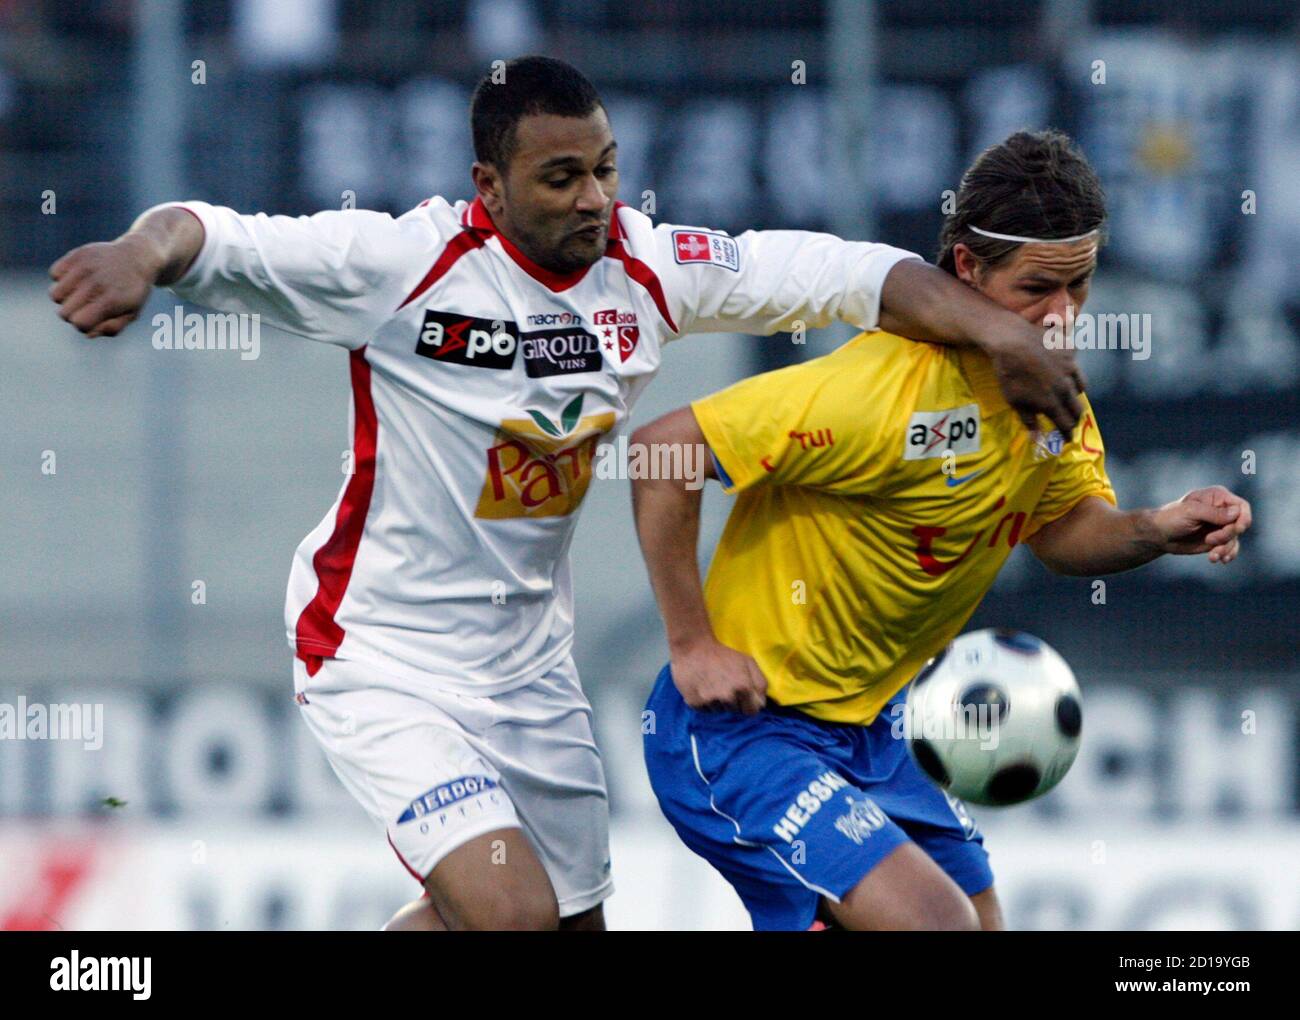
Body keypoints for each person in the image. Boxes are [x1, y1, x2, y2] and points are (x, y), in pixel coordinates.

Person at [49, 57, 1087, 932]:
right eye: (560, 179)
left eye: (605, 169)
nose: (594, 198)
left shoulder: (646, 268)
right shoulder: (398, 266)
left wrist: (999, 332)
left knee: (557, 924)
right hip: (381, 650)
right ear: (488, 188)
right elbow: (210, 231)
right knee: (510, 915)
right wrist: (137, 255)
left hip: (530, 669)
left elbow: (840, 272)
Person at [633, 129, 1252, 931]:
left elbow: (1062, 530)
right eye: (1038, 289)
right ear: (967, 271)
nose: (1061, 317)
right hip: (742, 734)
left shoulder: (1049, 392)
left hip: (873, 730)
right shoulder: (872, 393)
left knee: (982, 919)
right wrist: (692, 645)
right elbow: (661, 452)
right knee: (935, 923)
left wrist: (1154, 528)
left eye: (1081, 288)